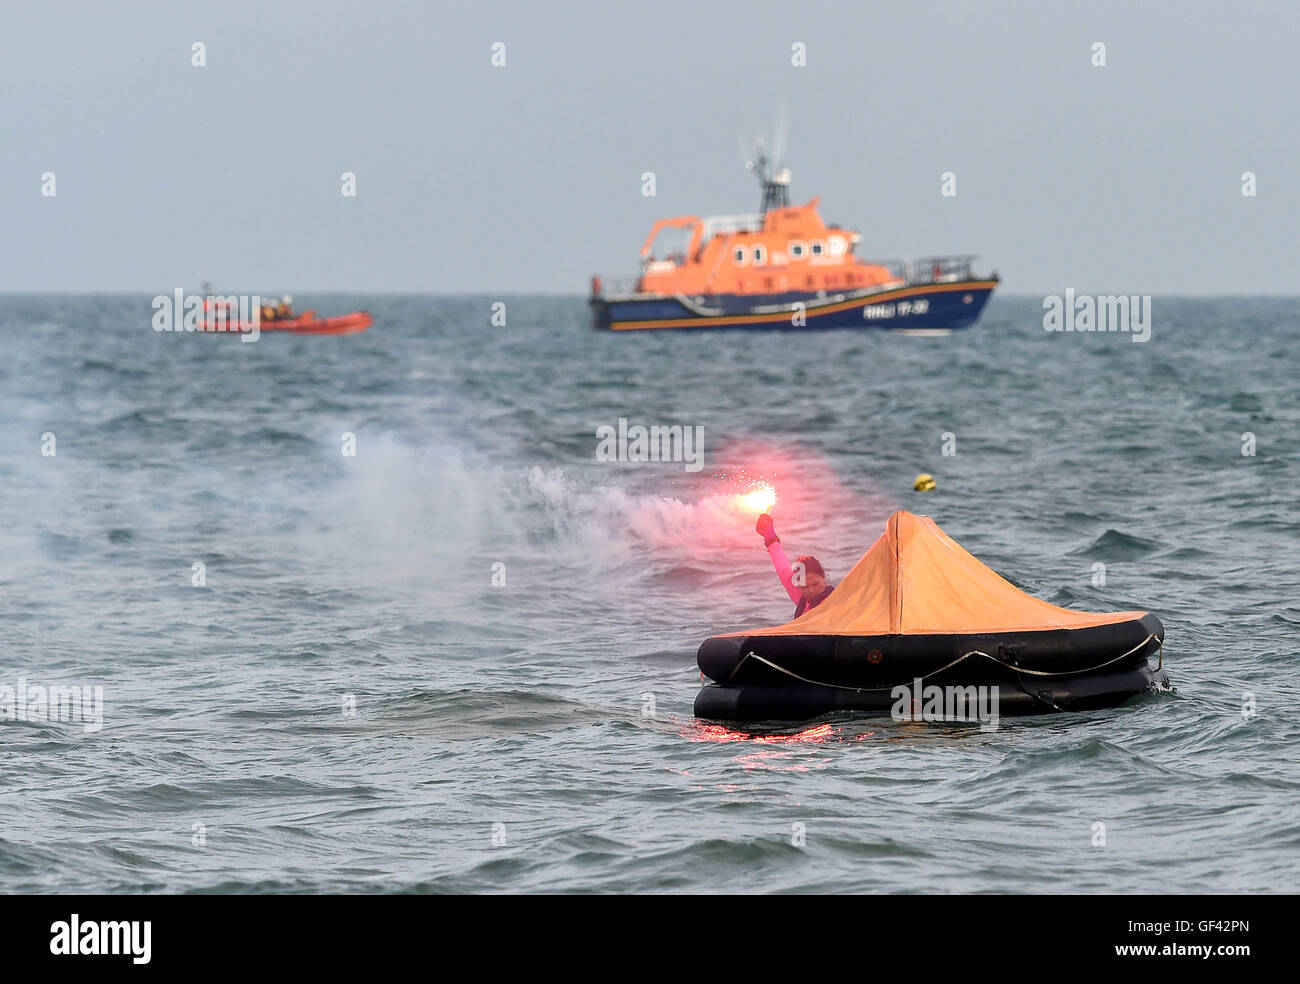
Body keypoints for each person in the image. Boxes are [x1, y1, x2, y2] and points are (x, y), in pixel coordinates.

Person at [755, 513, 834, 618]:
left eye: (815, 584)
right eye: (805, 587)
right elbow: (783, 569)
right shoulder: (802, 597)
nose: (811, 590)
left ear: (823, 578)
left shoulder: (835, 602)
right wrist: (770, 539)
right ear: (798, 587)